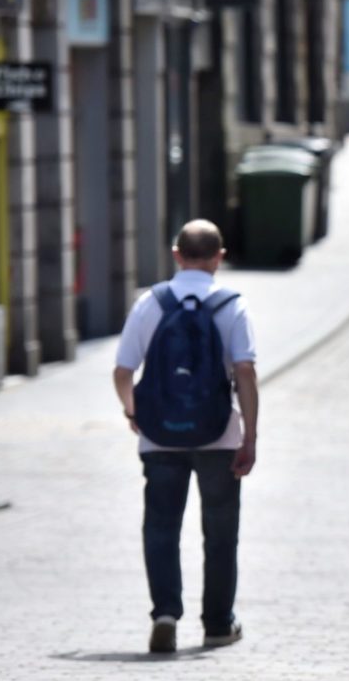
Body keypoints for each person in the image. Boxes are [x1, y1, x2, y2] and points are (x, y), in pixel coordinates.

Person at [111, 220, 258, 654]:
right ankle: (218, 625)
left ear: (176, 254)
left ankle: (165, 615)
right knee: (220, 533)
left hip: (161, 438)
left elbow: (122, 371)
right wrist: (249, 436)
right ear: (220, 257)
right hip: (219, 435)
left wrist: (135, 412)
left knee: (161, 527)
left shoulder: (149, 303)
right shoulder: (232, 305)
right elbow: (245, 371)